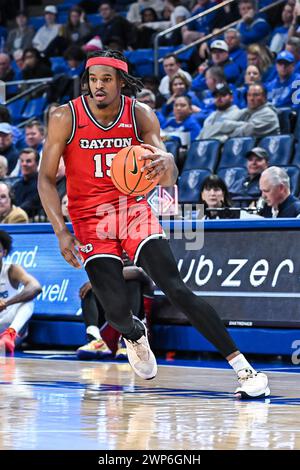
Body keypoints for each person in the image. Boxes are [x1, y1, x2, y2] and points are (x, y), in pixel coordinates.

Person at [38, 49, 270, 398]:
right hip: (89, 217)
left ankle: (244, 369)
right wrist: (61, 231)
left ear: (121, 82)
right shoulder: (64, 117)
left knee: (174, 286)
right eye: (93, 79)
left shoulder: (140, 114)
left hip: (132, 208)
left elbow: (167, 176)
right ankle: (134, 333)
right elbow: (44, 179)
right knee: (115, 312)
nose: (97, 87)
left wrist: (167, 162)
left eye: (106, 79)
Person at [77, 257, 154, 360]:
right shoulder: (105, 279)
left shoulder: (143, 275)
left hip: (138, 337)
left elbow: (138, 272)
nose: (123, 253)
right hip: (110, 337)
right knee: (90, 290)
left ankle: (130, 341)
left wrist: (96, 281)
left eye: (125, 249)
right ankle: (95, 341)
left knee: (132, 282)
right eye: (120, 249)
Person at [0, 230, 42, 354]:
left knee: (28, 300)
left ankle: (10, 335)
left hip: (11, 323)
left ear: (4, 253)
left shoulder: (12, 269)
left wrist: (6, 303)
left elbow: (36, 287)